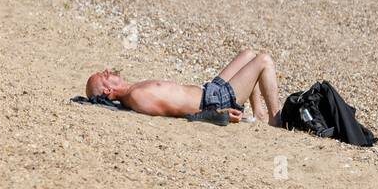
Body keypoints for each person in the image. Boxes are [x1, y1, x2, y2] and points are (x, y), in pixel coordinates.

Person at [85, 50, 283, 125]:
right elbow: (175, 111)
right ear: (107, 91)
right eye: (104, 76)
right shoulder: (137, 96)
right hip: (214, 101)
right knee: (263, 60)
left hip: (210, 90)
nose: (108, 71)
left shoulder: (134, 89)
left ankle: (260, 113)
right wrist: (217, 113)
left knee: (248, 55)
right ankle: (275, 117)